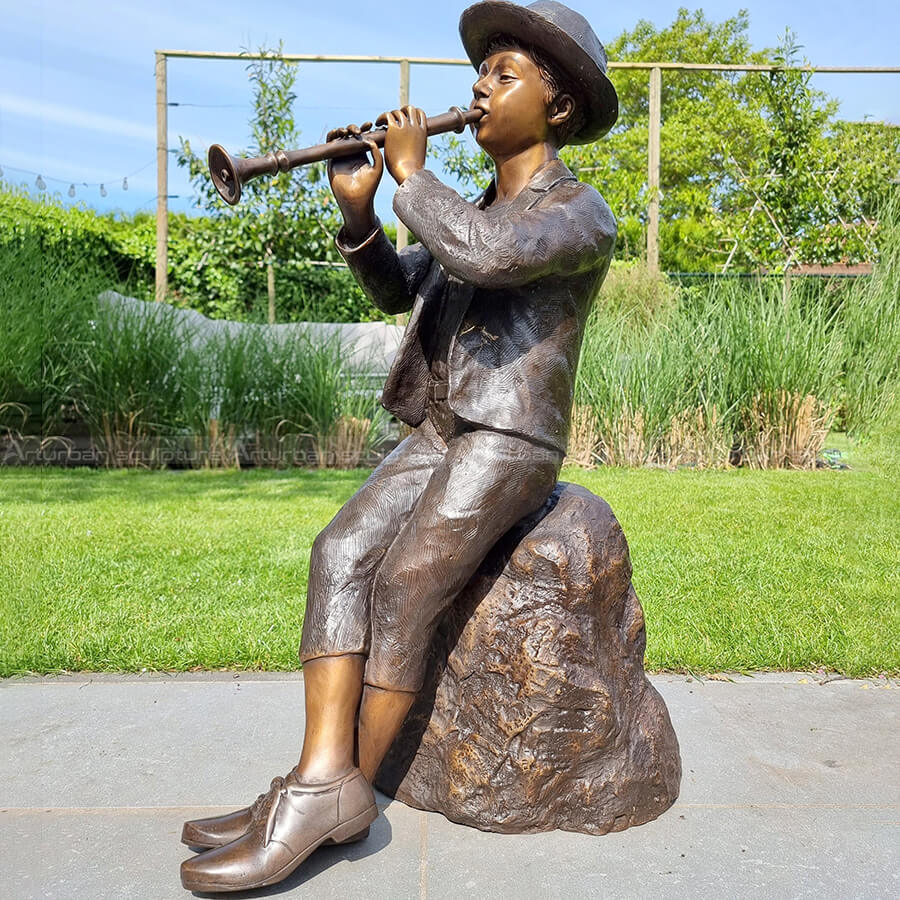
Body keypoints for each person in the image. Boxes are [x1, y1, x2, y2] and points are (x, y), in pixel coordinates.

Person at [180, 1, 618, 891]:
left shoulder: (577, 211)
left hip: (509, 436)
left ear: (558, 104)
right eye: (482, 72)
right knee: (339, 551)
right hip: (439, 427)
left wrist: (413, 177)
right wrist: (360, 213)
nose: (477, 89)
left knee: (407, 583)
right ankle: (316, 781)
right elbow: (401, 287)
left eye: (504, 75)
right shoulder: (474, 207)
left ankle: (332, 796)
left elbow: (490, 256)